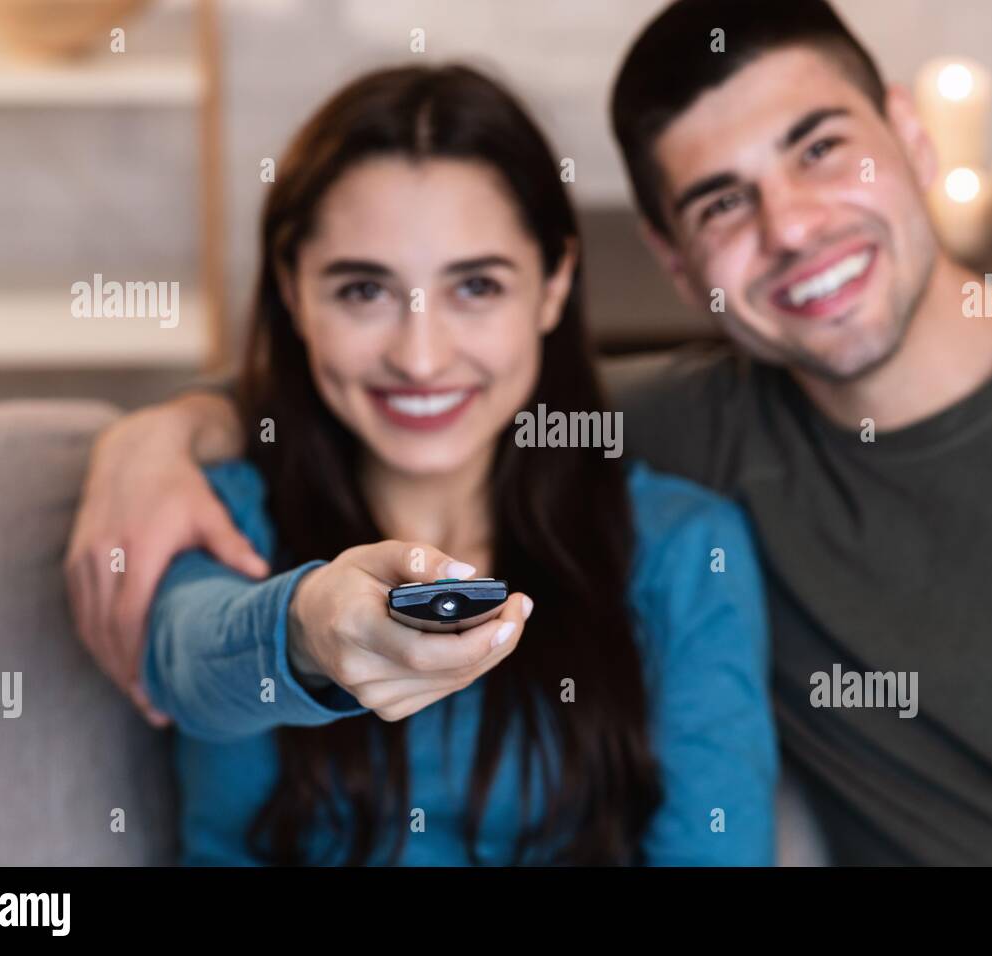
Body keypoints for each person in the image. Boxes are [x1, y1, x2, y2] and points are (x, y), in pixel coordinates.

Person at [67, 0, 992, 865]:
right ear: (675, 265)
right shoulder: (661, 426)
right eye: (721, 200)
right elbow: (199, 640)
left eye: (821, 147)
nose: (792, 228)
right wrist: (165, 446)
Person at [95, 63, 777, 866]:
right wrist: (310, 628)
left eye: (477, 287)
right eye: (363, 291)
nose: (421, 358)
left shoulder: (683, 549)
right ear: (292, 290)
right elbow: (184, 659)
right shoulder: (220, 515)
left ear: (554, 285)